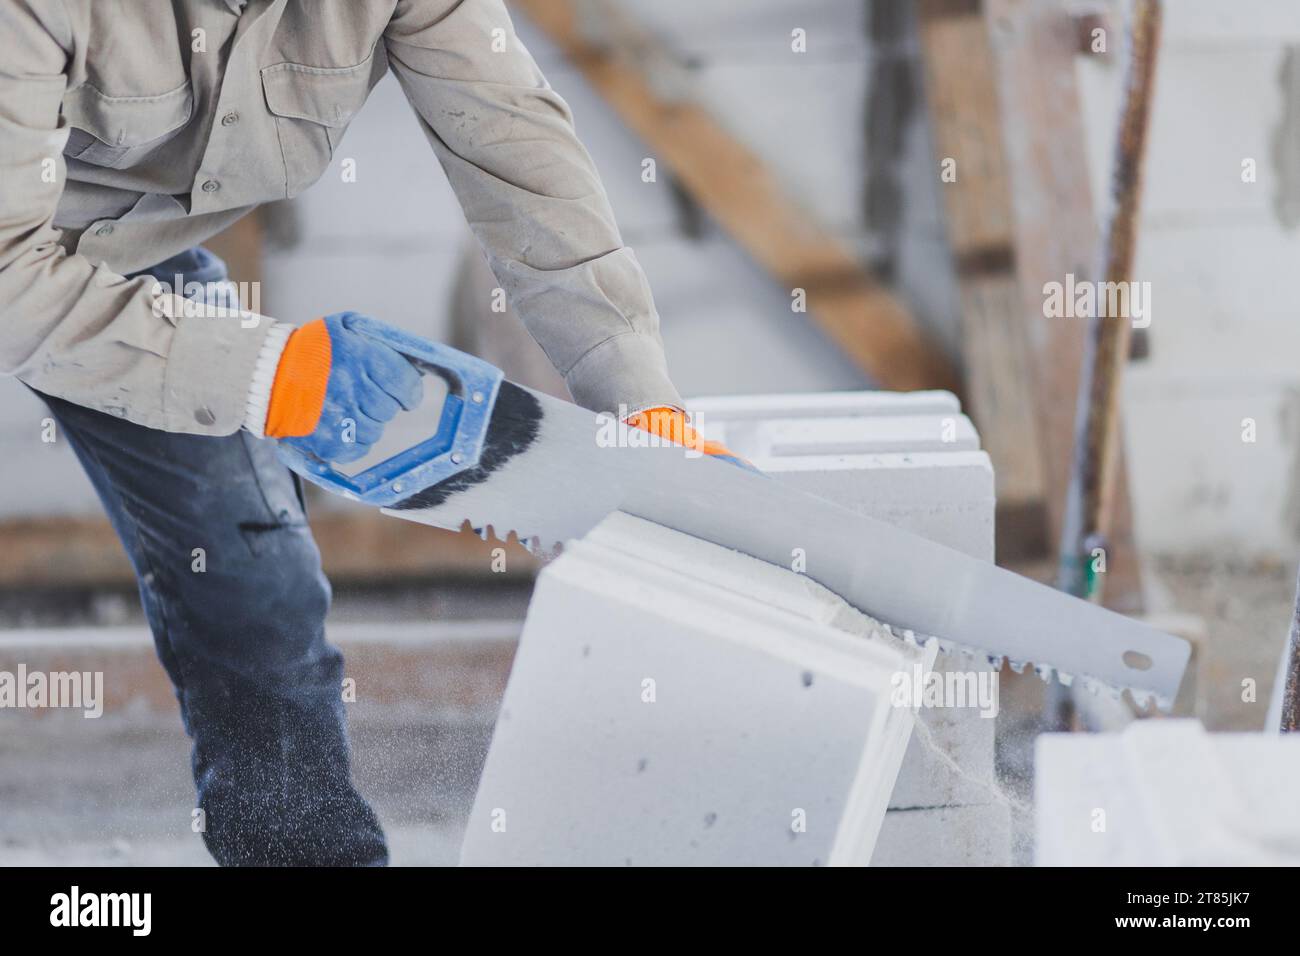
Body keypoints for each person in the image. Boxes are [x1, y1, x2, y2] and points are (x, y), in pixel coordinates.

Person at [1, 0, 741, 864]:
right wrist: (270, 371)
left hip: (125, 268)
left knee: (255, 584)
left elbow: (516, 153)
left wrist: (637, 401)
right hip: (16, 261)